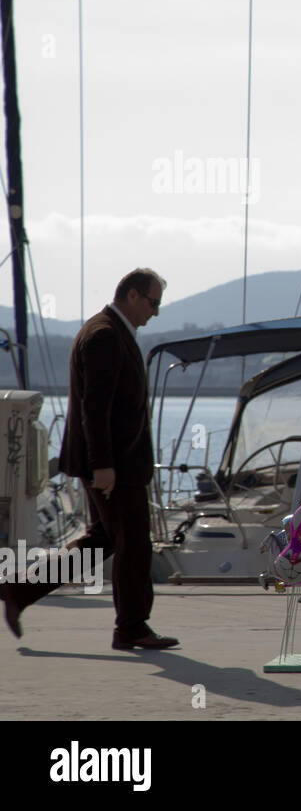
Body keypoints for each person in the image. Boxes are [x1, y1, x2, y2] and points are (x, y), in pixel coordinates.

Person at [1, 268, 180, 650]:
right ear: (131, 295)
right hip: (114, 467)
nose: (155, 312)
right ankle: (131, 626)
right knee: (133, 543)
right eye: (152, 303)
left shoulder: (108, 332)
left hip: (116, 464)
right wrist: (103, 465)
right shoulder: (104, 335)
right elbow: (95, 410)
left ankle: (19, 589)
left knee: (104, 540)